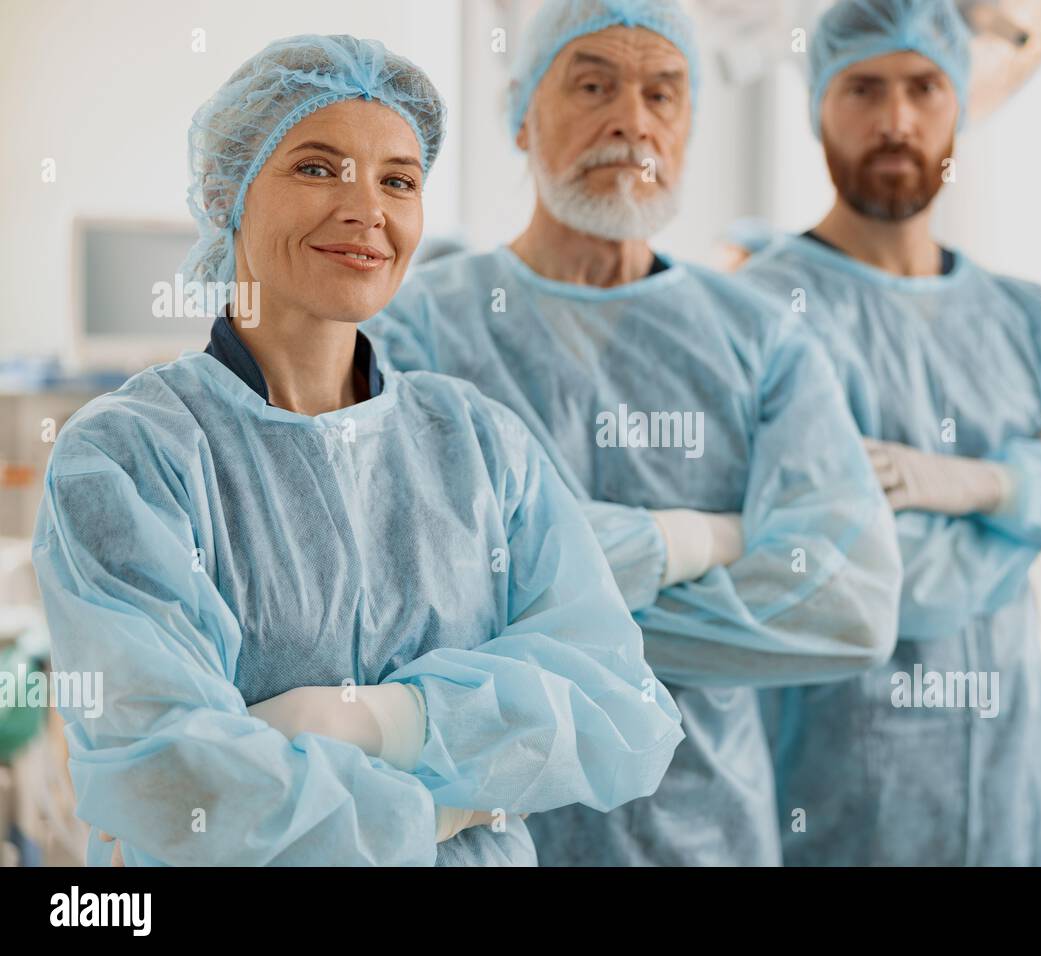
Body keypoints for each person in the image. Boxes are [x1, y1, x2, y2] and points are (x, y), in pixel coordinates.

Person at [31, 34, 682, 867]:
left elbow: (614, 703)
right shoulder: (128, 459)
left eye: (398, 181)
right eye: (316, 167)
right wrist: (446, 806)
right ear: (228, 189)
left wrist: (380, 723)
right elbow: (175, 772)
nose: (366, 208)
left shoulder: (480, 444)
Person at [363, 0, 902, 866]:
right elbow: (414, 593)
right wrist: (701, 541)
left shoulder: (762, 341)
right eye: (592, 84)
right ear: (520, 115)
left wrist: (537, 621)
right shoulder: (416, 328)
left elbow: (848, 605)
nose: (632, 121)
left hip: (704, 829)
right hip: (484, 834)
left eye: (665, 92)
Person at [743, 0, 1041, 865]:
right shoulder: (763, 318)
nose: (897, 119)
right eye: (863, 87)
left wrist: (996, 485)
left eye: (925, 86)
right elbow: (858, 577)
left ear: (960, 102)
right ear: (817, 106)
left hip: (1019, 810)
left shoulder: (1032, 324)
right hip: (839, 811)